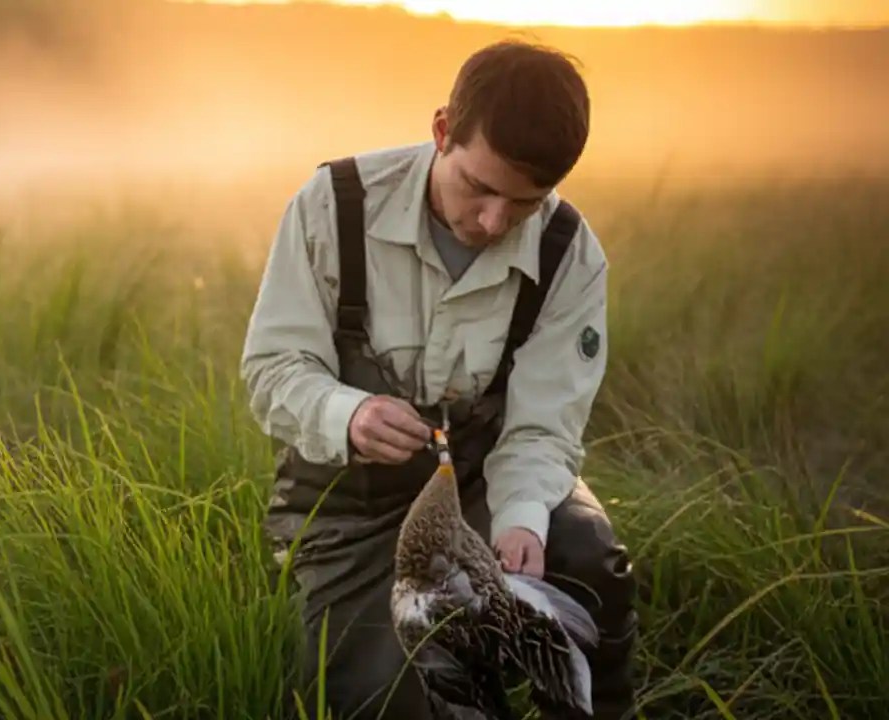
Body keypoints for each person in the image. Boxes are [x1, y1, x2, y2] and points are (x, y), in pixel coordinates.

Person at [240, 40, 638, 719]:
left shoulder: (570, 252)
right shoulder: (332, 207)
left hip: (487, 484)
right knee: (385, 702)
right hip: (349, 508)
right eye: (479, 188)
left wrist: (521, 524)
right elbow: (270, 372)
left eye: (523, 204)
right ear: (442, 130)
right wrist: (352, 415)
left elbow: (543, 426)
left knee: (588, 559)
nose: (492, 223)